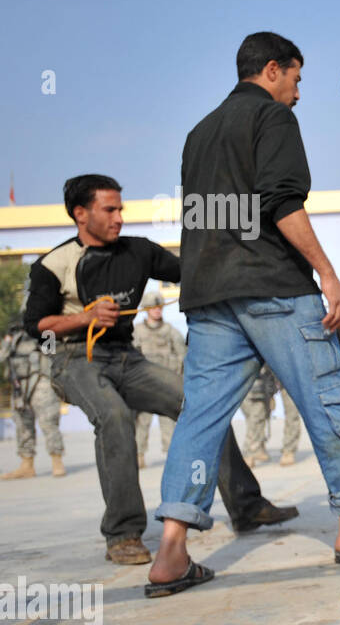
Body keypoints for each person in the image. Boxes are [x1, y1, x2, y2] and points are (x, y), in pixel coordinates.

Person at [157, 31, 340, 598]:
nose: (298, 94)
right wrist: (326, 272)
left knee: (199, 418)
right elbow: (281, 202)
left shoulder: (198, 132)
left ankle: (171, 550)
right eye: (296, 80)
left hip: (209, 294)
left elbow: (211, 213)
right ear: (273, 70)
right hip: (272, 287)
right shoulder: (272, 119)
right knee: (331, 398)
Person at [22, 174, 298, 566]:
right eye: (110, 209)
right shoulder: (54, 264)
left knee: (200, 405)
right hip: (74, 359)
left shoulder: (139, 251)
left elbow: (192, 271)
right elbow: (37, 327)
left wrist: (241, 254)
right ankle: (123, 534)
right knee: (114, 417)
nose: (119, 218)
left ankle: (248, 506)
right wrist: (85, 319)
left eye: (121, 209)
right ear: (81, 214)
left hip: (127, 358)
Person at [1, 315, 66, 479]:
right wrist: (8, 338)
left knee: (49, 422)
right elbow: (2, 356)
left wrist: (43, 331)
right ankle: (26, 465)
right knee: (22, 425)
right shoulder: (14, 338)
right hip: (19, 387)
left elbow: (52, 354)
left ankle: (57, 462)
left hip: (40, 383)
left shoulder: (45, 332)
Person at [132, 291, 186, 467]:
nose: (157, 311)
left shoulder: (171, 331)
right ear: (146, 309)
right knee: (142, 422)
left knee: (169, 422)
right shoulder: (137, 332)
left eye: (160, 307)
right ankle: (139, 455)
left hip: (166, 386)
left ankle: (172, 456)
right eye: (153, 308)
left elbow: (183, 356)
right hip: (144, 387)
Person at [240, 364, 301, 466]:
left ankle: (289, 450)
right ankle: (255, 447)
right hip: (262, 366)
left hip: (286, 364)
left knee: (291, 409)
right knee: (256, 409)